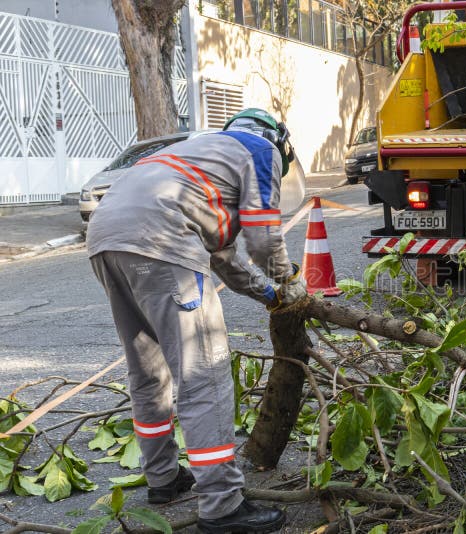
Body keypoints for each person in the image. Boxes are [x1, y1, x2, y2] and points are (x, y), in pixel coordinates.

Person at [86, 108, 306, 533]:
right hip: (162, 242)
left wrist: (268, 294)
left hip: (106, 241)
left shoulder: (197, 154)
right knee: (203, 375)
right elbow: (262, 240)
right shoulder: (260, 150)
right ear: (280, 143)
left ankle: (164, 479)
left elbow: (223, 258)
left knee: (148, 372)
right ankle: (222, 506)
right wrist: (289, 280)